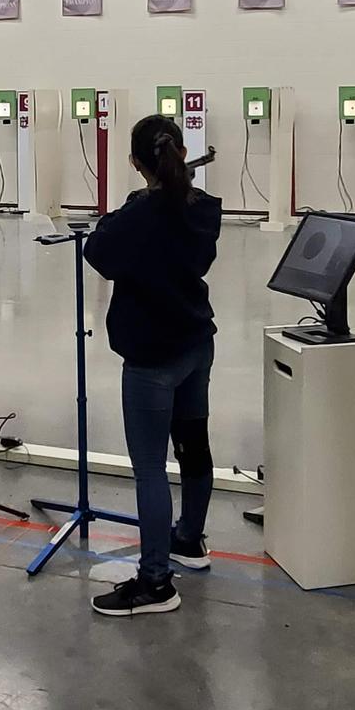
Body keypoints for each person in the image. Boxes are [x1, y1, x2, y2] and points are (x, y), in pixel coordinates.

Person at [83, 113, 223, 619]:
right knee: (193, 445)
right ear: (181, 154)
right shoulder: (201, 206)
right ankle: (190, 539)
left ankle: (156, 581)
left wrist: (133, 205)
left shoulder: (139, 214)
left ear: (135, 162)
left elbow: (99, 252)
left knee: (149, 468)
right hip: (195, 342)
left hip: (151, 355)